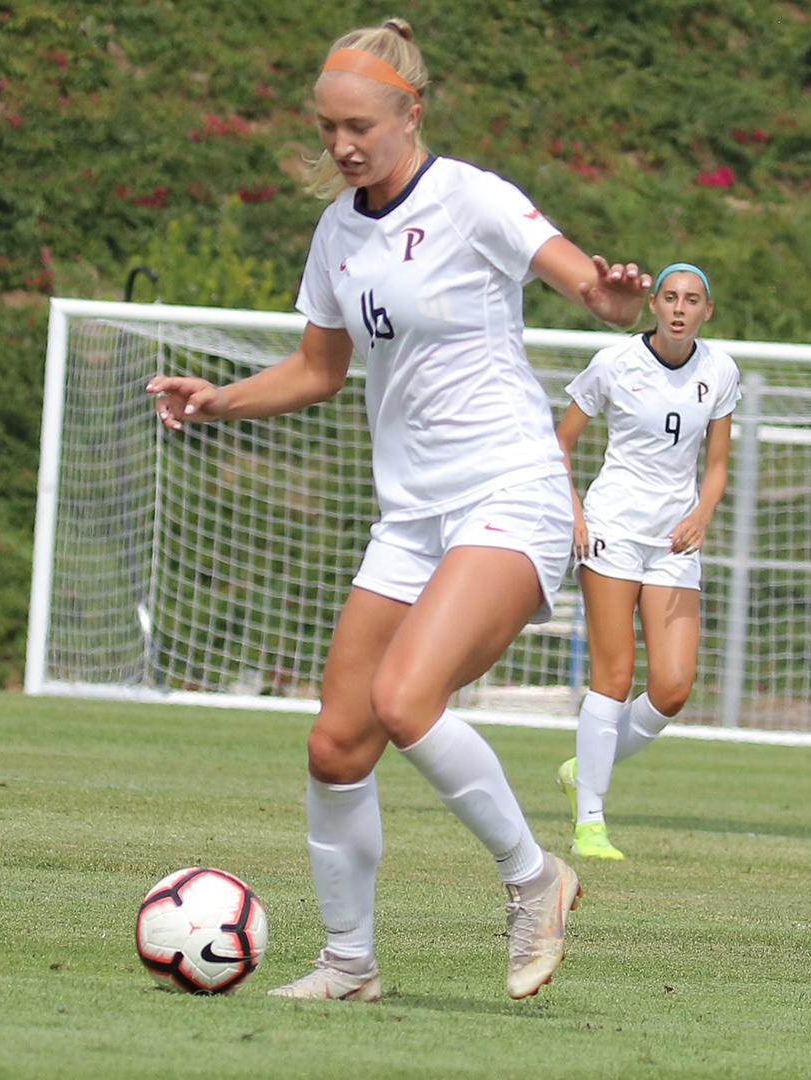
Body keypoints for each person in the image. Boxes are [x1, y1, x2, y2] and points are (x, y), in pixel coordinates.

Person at [146, 18, 651, 1001]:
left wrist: (617, 292)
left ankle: (536, 879)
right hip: (411, 520)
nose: (342, 145)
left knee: (405, 702)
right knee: (337, 743)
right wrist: (217, 398)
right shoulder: (339, 231)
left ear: (409, 113)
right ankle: (348, 962)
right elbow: (318, 368)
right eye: (328, 126)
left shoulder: (472, 199)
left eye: (360, 126)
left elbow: (592, 285)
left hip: (511, 494)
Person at [553, 265, 738, 860]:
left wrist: (702, 514)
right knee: (613, 677)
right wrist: (576, 513)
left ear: (707, 311)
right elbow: (557, 444)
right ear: (654, 305)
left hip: (674, 543)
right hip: (611, 532)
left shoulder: (720, 371)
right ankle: (590, 823)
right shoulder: (614, 363)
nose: (680, 309)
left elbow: (715, 466)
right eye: (670, 298)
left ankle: (586, 765)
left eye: (693, 301)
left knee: (673, 687)